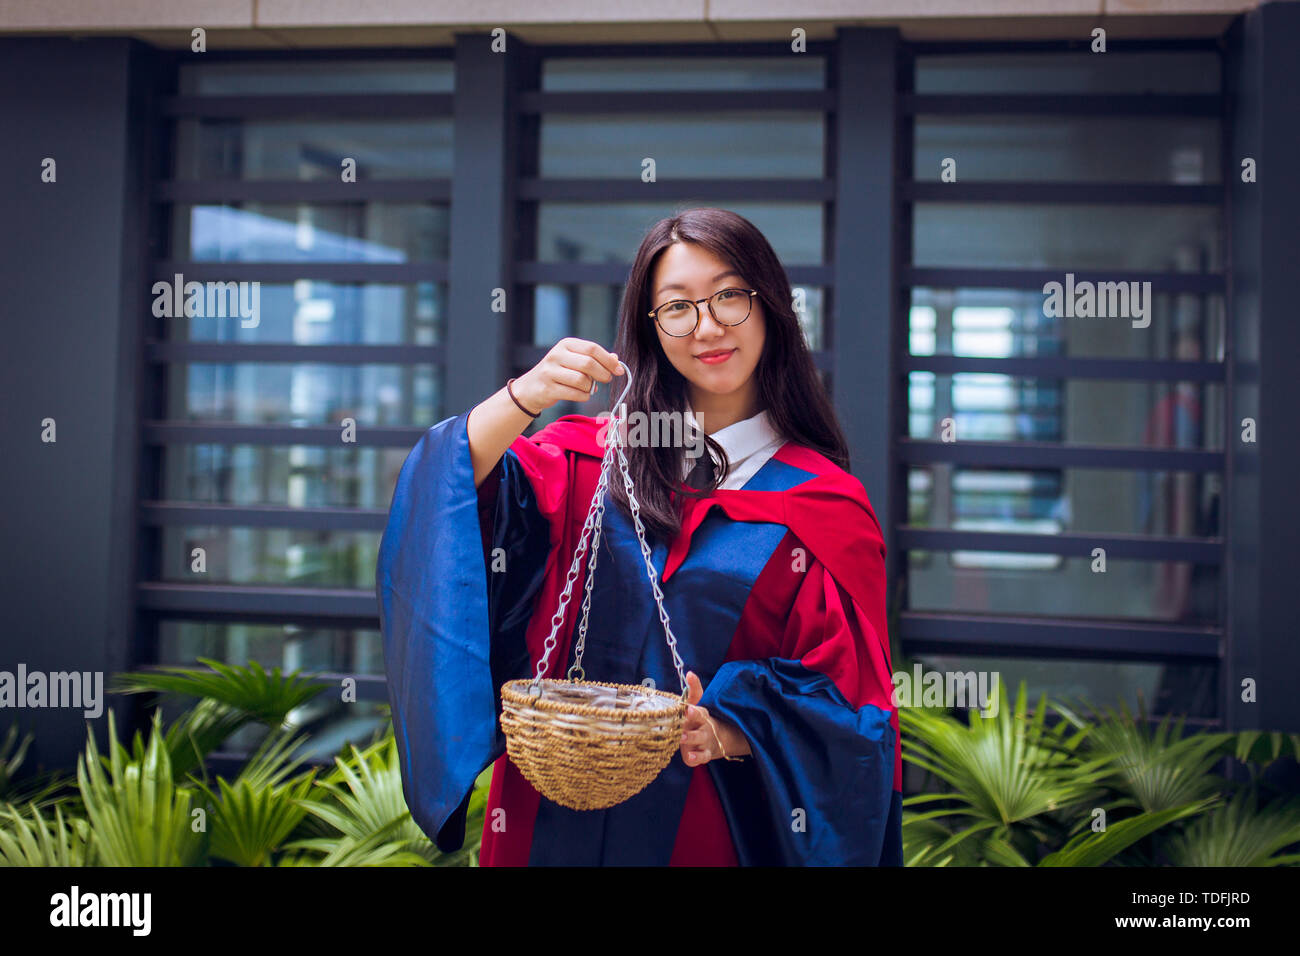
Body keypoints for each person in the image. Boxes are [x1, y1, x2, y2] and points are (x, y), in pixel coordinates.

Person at [377, 207, 902, 865]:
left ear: (769, 304)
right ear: (651, 327)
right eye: (677, 307)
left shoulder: (821, 503)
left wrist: (731, 725)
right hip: (547, 812)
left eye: (729, 296)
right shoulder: (587, 459)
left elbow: (850, 705)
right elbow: (448, 493)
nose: (706, 327)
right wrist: (524, 396)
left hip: (709, 822)